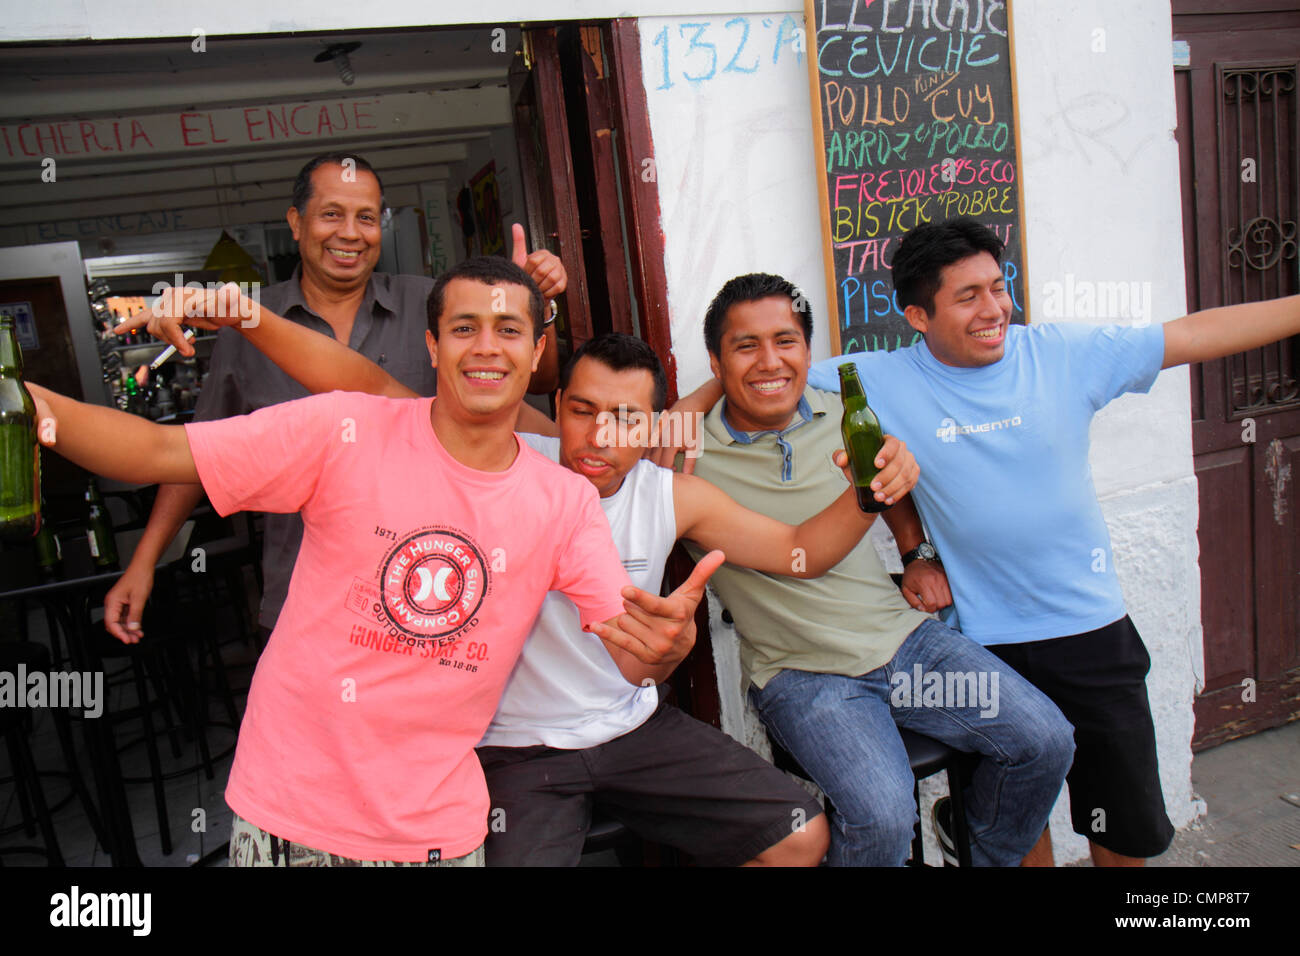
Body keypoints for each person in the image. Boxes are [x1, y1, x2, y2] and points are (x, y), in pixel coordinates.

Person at [113, 291, 919, 867]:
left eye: (628, 421)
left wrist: (869, 493)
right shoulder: (510, 457)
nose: (598, 438)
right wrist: (249, 313)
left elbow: (795, 552)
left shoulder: (673, 493)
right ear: (552, 405)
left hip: (630, 729)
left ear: (658, 428)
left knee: (799, 833)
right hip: (510, 751)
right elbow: (360, 382)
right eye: (580, 411)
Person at [27, 258, 719, 866]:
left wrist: (669, 647)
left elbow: (632, 657)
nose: (487, 347)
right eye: (464, 327)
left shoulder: (565, 500)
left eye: (509, 330)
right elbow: (154, 453)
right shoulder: (344, 431)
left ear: (537, 350)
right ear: (432, 343)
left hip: (434, 827)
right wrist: (24, 404)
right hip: (287, 805)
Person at [793, 217, 1300, 866]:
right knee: (1012, 828)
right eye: (967, 296)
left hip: (1091, 631)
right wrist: (917, 550)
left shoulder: (1062, 353)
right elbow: (764, 379)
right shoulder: (876, 380)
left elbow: (1193, 334)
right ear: (918, 315)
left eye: (997, 288)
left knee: (1121, 828)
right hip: (982, 644)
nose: (994, 309)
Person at [665, 272, 1077, 866]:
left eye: (786, 341)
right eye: (745, 346)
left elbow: (892, 482)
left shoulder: (844, 413)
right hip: (804, 675)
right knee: (882, 817)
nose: (769, 361)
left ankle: (977, 850)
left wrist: (915, 553)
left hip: (905, 645)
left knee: (1044, 740)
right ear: (715, 359)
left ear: (809, 351)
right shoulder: (684, 452)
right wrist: (690, 402)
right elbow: (597, 443)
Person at [102, 150, 563, 644]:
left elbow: (531, 387)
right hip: (305, 603)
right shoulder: (248, 326)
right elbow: (196, 456)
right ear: (296, 223)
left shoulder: (433, 305)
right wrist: (145, 561)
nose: (350, 233)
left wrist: (534, 307)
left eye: (366, 217)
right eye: (331, 214)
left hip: (437, 593)